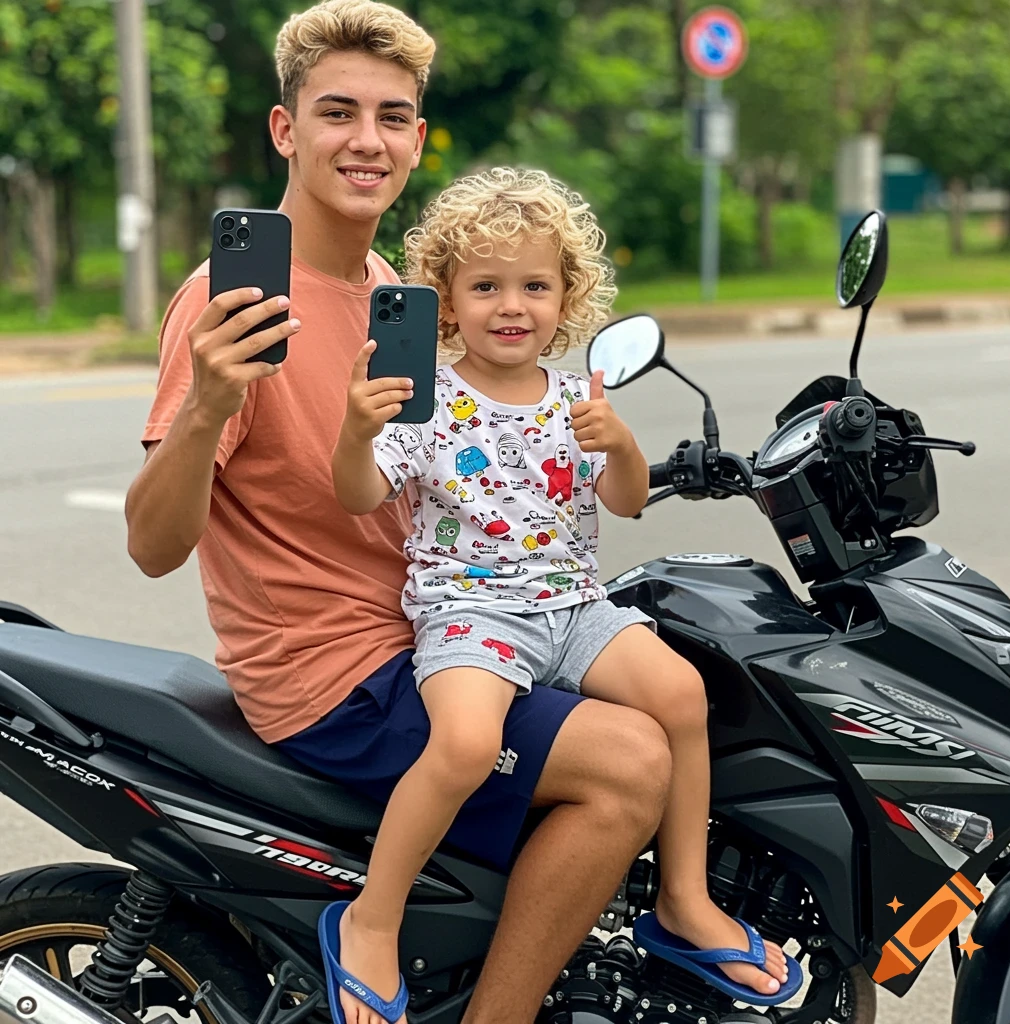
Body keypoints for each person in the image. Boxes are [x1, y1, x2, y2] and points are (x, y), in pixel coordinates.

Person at [124, 3, 786, 1022]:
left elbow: (456, 471)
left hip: (439, 619)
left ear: (417, 140)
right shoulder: (229, 302)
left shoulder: (398, 294)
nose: (366, 140)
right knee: (628, 765)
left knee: (679, 682)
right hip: (334, 669)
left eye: (392, 117)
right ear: (284, 130)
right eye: (336, 113)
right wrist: (210, 400)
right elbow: (152, 547)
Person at [324, 167, 791, 1024]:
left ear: (567, 296)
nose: (513, 306)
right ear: (446, 298)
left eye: (535, 286)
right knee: (465, 748)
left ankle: (683, 899)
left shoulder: (579, 398)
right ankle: (372, 915)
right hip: (472, 613)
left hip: (575, 609)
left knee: (682, 695)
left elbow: (626, 499)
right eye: (487, 286)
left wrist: (620, 444)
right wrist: (358, 431)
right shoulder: (427, 404)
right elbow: (359, 495)